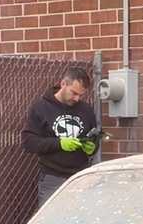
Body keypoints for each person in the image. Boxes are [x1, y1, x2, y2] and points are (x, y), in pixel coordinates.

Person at [21, 66, 99, 207]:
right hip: (52, 177)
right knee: (50, 222)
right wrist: (59, 143)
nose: (77, 98)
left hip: (80, 176)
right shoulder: (41, 107)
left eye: (80, 95)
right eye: (74, 93)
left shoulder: (86, 110)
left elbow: (93, 136)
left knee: (80, 220)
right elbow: (29, 142)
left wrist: (92, 147)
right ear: (63, 84)